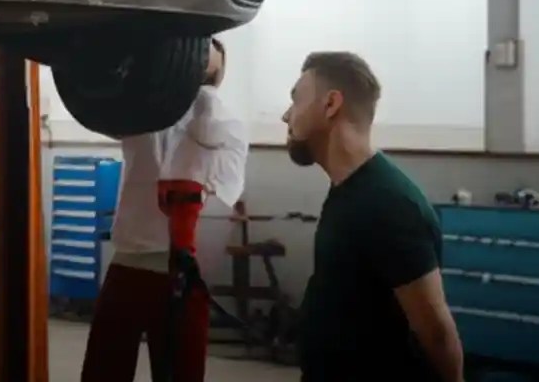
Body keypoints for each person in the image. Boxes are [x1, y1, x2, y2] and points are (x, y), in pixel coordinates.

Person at [282, 51, 463, 382]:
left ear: (330, 104)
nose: (285, 116)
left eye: (295, 100)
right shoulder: (348, 190)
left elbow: (436, 331)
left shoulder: (388, 203)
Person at [80, 38, 249, 382]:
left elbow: (224, 188)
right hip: (138, 261)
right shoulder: (144, 115)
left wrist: (197, 80)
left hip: (176, 269)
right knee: (112, 370)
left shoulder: (221, 123)